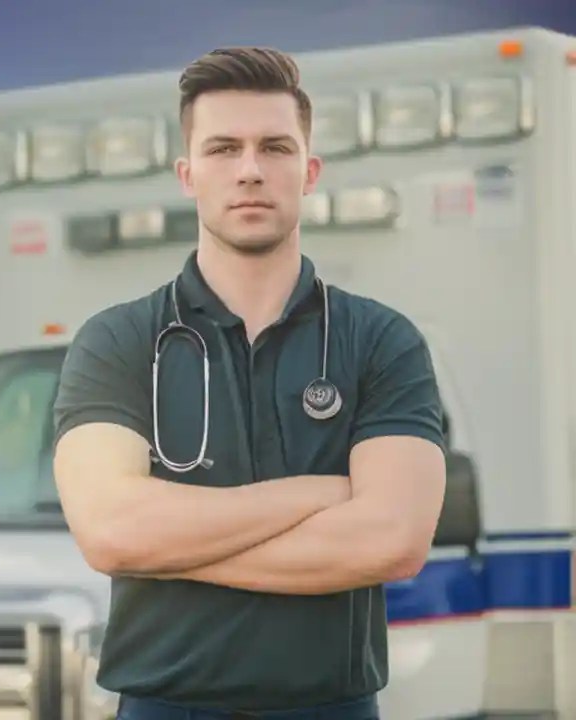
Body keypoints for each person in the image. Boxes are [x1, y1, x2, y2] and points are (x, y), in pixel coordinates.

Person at [51, 47, 448, 719]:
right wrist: (317, 495)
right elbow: (113, 535)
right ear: (187, 174)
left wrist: (171, 546)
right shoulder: (118, 342)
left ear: (309, 170)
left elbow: (393, 541)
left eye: (275, 147)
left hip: (330, 707)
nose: (250, 171)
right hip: (164, 706)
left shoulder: (380, 341)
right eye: (223, 149)